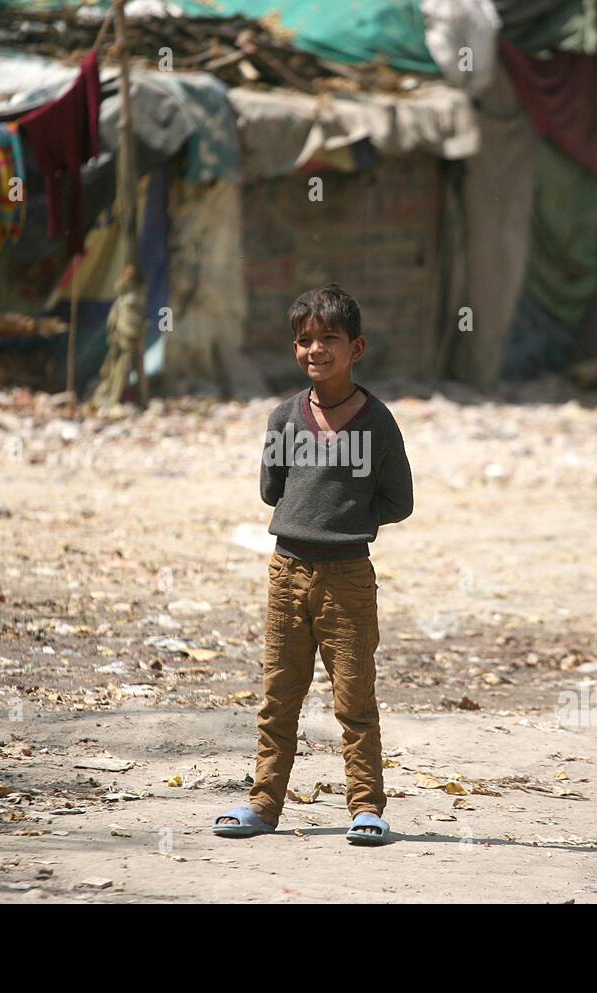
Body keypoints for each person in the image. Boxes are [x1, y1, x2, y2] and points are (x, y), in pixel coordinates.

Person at [212, 283, 413, 846]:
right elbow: (271, 489)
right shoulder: (283, 418)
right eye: (304, 341)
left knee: (354, 699)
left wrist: (346, 519)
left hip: (348, 577)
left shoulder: (377, 424)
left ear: (358, 348)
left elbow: (400, 502)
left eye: (330, 339)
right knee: (279, 697)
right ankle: (263, 805)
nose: (315, 350)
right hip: (287, 572)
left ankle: (366, 807)